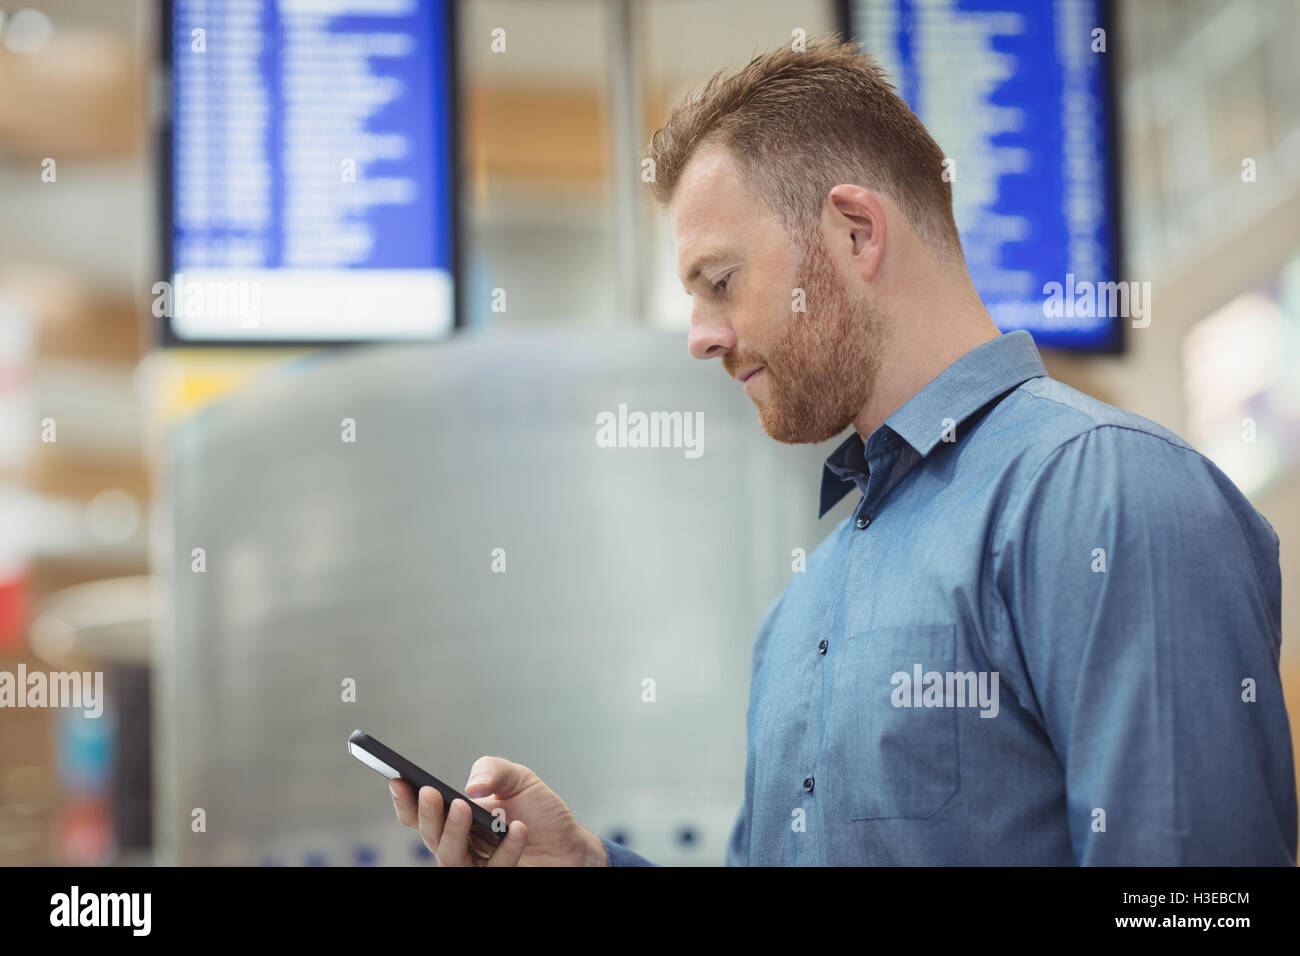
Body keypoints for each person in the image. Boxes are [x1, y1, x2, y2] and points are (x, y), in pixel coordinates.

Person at [388, 36, 1297, 866]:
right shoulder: (803, 607)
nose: (700, 337)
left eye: (720, 281)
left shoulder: (1105, 492)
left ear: (855, 232)